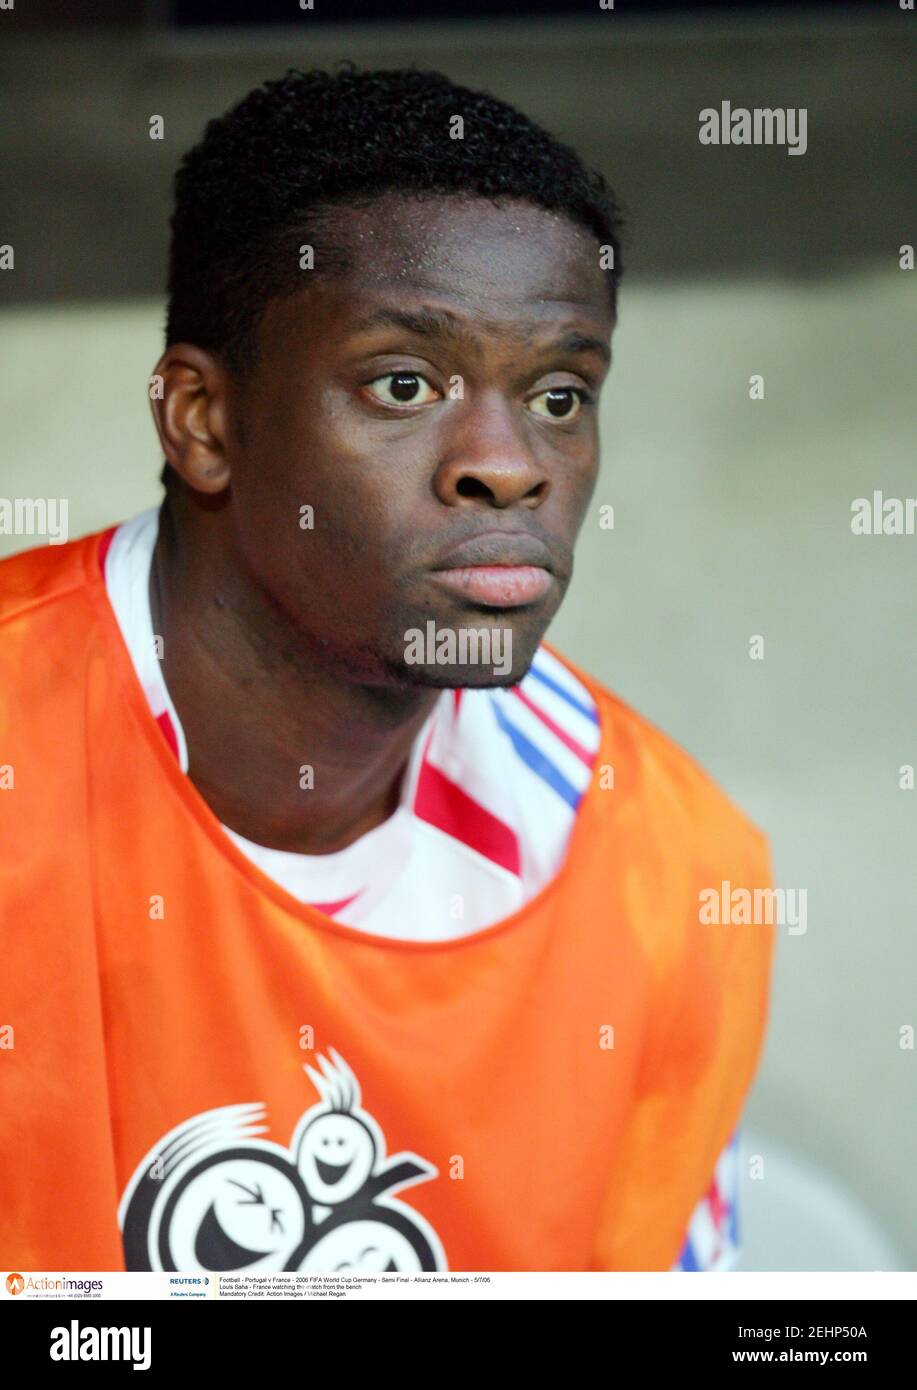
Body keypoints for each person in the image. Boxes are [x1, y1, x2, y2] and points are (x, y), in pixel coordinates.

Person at [0, 64, 775, 1274]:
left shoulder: (670, 874)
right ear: (203, 420)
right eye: (404, 384)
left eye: (559, 395)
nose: (506, 468)